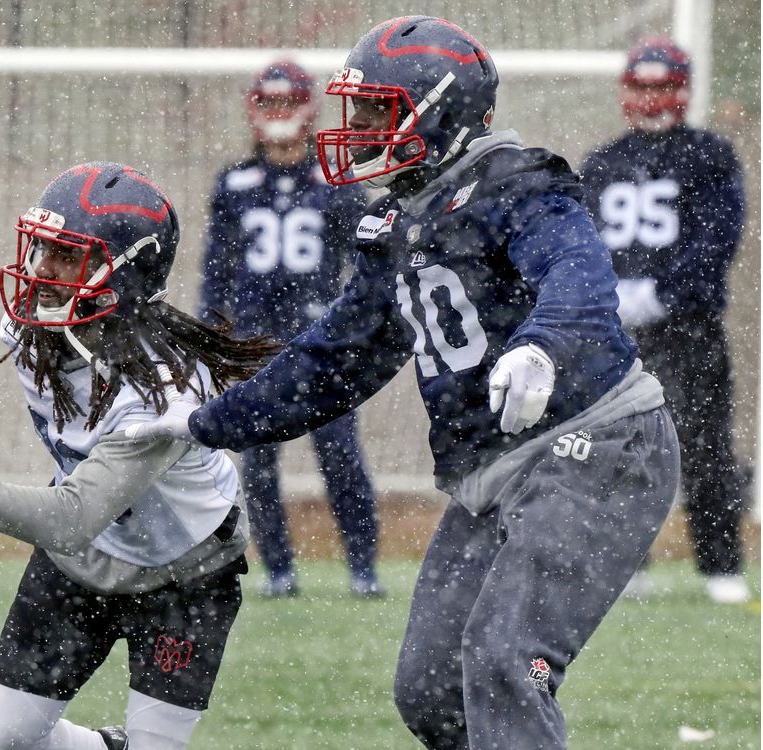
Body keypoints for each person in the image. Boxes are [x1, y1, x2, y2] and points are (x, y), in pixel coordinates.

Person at [128, 17, 681, 749]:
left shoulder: (517, 183)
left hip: (598, 445)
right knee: (430, 688)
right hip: (499, 467)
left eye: (373, 111)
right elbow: (334, 358)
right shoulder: (396, 220)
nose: (354, 129)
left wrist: (542, 348)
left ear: (440, 110)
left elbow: (578, 271)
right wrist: (207, 421)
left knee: (503, 664)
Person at [0, 161, 279, 750]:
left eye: (66, 255)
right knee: (11, 740)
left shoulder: (162, 393)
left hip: (185, 572)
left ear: (126, 273)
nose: (41, 270)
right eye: (41, 247)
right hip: (87, 563)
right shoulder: (31, 329)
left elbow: (70, 520)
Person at [200, 59, 382, 598]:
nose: (279, 114)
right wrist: (211, 336)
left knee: (341, 456)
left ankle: (362, 568)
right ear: (253, 109)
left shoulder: (338, 182)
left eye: (288, 102)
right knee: (257, 463)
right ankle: (279, 571)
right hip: (256, 344)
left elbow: (370, 263)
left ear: (308, 108)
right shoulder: (235, 184)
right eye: (269, 103)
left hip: (319, 341)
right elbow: (217, 271)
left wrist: (361, 326)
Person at [579, 37, 749, 605]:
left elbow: (717, 237)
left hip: (687, 328)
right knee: (617, 447)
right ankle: (628, 565)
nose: (652, 100)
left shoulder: (710, 155)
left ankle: (720, 566)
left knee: (703, 446)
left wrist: (665, 293)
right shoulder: (603, 162)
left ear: (684, 90)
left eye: (663, 87)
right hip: (615, 333)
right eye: (643, 87)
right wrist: (607, 295)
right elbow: (580, 241)